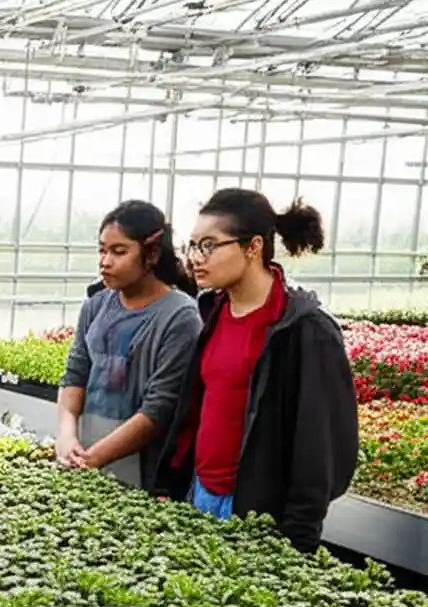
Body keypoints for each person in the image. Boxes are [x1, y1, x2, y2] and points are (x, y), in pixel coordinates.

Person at [155, 188, 358, 554]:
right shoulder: (212, 312)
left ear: (253, 248)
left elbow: (321, 448)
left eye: (209, 246)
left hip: (257, 511)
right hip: (200, 494)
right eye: (192, 246)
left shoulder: (304, 330)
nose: (195, 258)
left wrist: (298, 540)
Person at [56, 200, 202, 490]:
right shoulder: (97, 305)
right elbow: (75, 374)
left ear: (152, 254)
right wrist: (66, 434)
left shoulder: (180, 316)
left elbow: (159, 408)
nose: (105, 261)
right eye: (102, 250)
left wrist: (93, 458)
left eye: (118, 251)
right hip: (87, 451)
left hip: (142, 466)